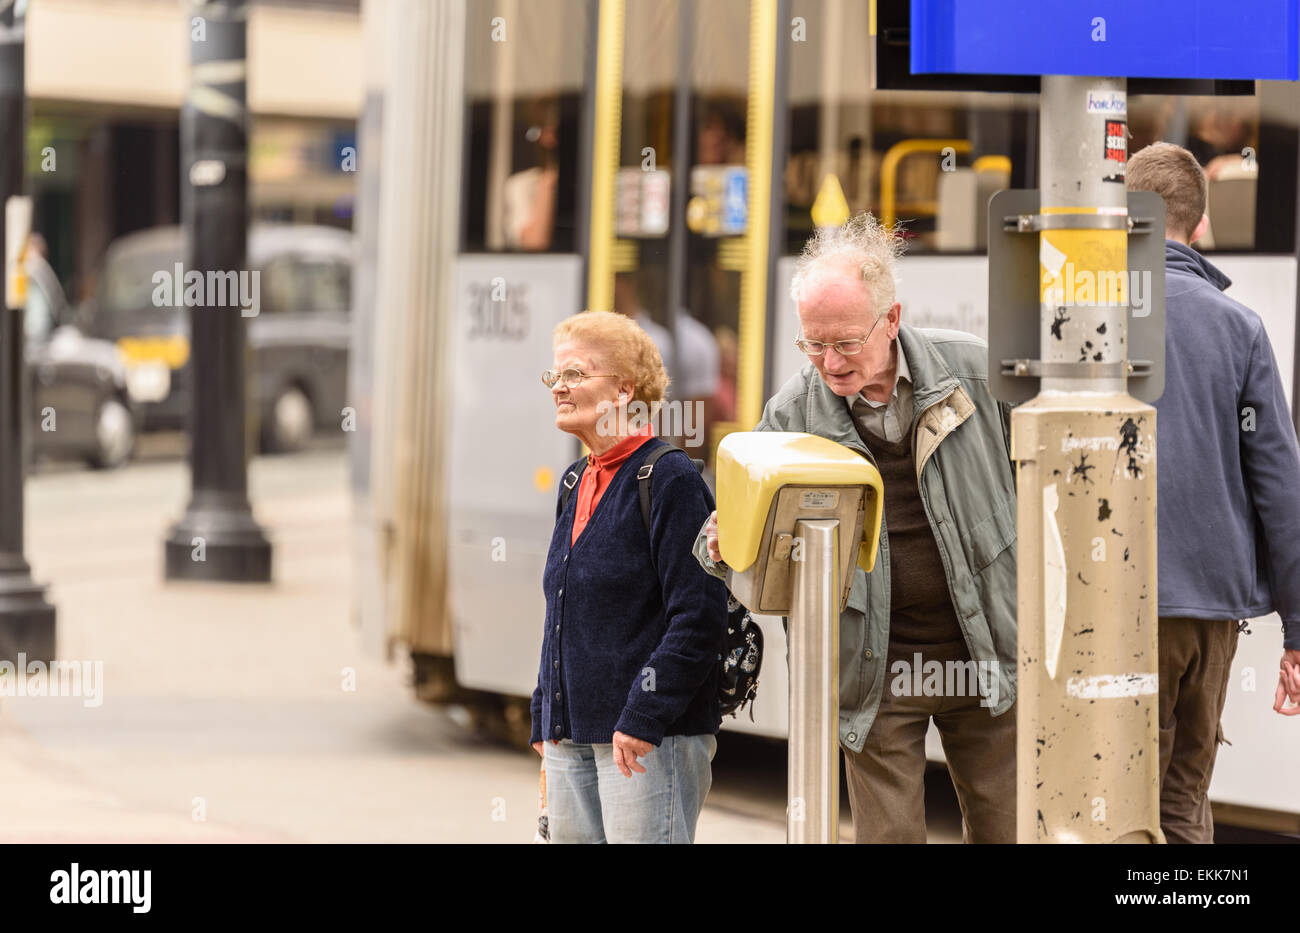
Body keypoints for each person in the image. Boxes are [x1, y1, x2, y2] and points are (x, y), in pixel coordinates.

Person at [695, 213, 1018, 843]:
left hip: (984, 654)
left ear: (891, 320)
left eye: (845, 342)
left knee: (1008, 831)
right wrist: (722, 543)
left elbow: (1049, 488)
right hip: (875, 666)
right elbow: (731, 528)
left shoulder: (977, 374)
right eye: (812, 344)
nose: (828, 361)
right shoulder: (793, 410)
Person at [1126, 142, 1300, 843]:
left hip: (1118, 601)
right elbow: (1280, 485)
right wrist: (1298, 631)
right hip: (1212, 615)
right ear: (1198, 226)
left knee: (1117, 794)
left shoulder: (1086, 319)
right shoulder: (1242, 329)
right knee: (1183, 797)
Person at [530, 310, 729, 844]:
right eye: (556, 376)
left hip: (645, 739)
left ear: (622, 390)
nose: (559, 389)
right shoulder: (575, 480)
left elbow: (699, 615)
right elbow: (563, 611)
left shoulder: (670, 478)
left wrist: (644, 714)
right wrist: (543, 713)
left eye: (575, 375)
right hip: (571, 735)